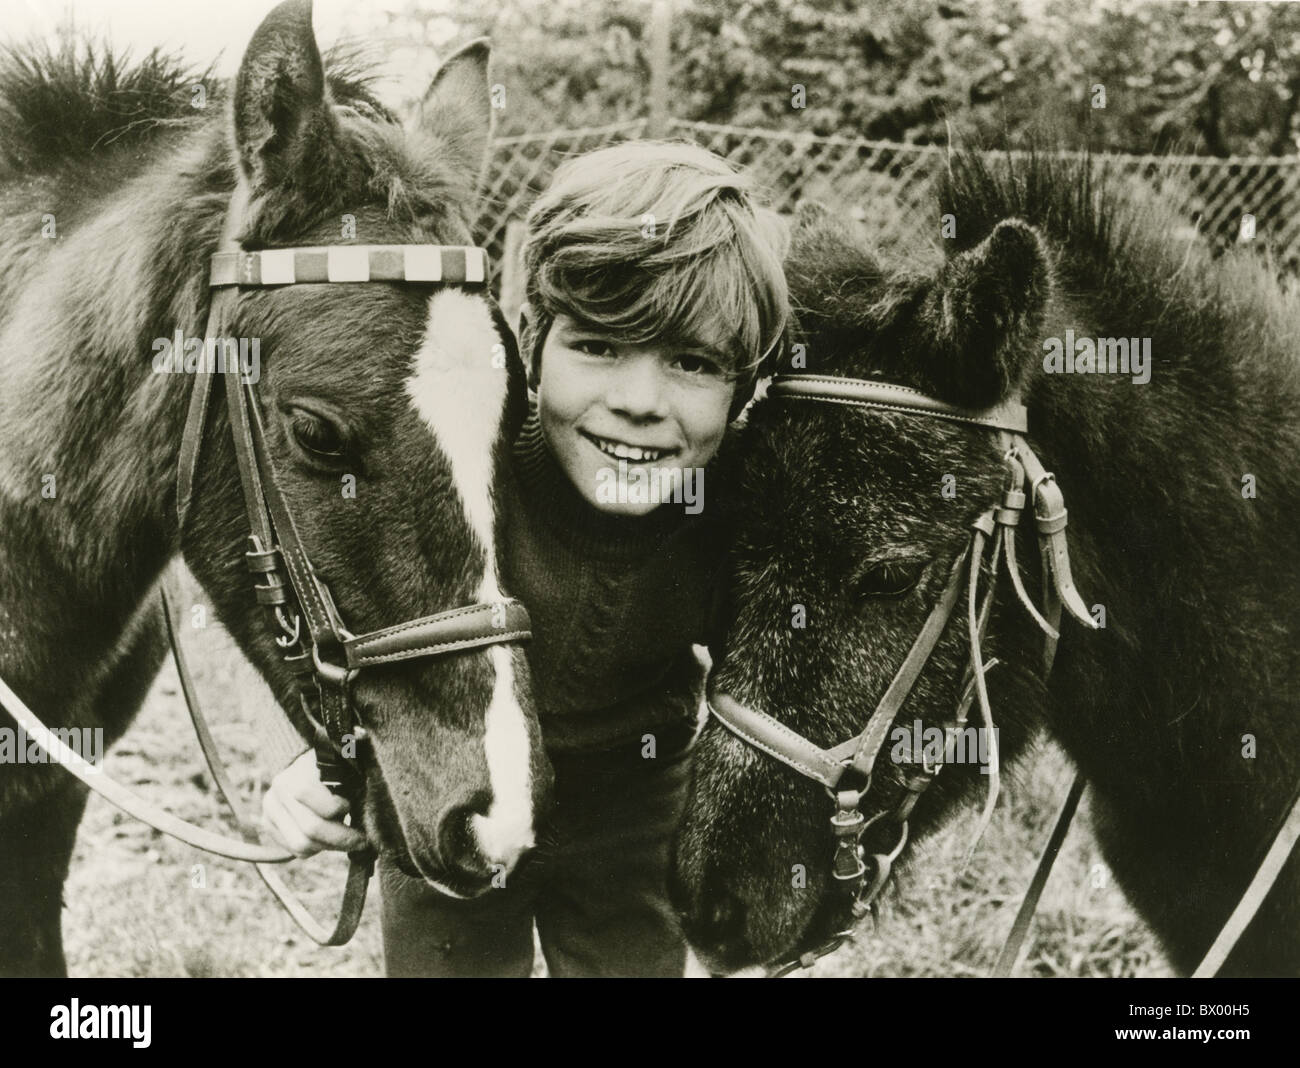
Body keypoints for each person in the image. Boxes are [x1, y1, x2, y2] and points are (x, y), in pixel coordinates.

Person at [259, 139, 789, 976]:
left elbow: (776, 694)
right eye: (598, 347)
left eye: (693, 363)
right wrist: (313, 763)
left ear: (745, 387)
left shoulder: (731, 516)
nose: (638, 403)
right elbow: (358, 624)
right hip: (453, 786)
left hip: (634, 808)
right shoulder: (470, 473)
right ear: (531, 345)